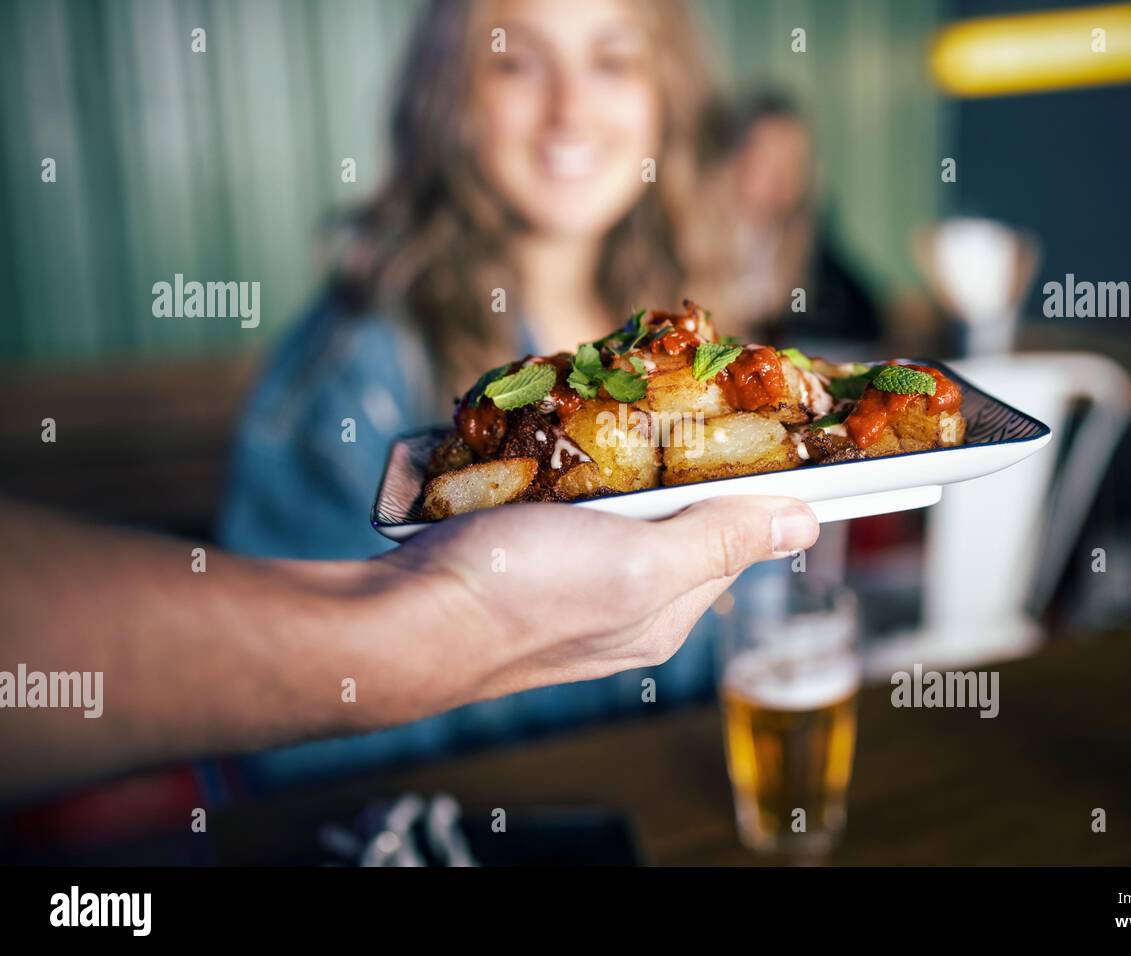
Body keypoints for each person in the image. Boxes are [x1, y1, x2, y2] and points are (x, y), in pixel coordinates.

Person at [215, 0, 744, 788]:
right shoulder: (356, 366)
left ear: (665, 95)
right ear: (449, 100)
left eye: (612, 60)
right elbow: (281, 727)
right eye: (517, 62)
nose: (571, 109)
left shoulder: (682, 341)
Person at [0, 495, 819, 802]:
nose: (570, 108)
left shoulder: (709, 339)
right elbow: (303, 787)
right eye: (520, 93)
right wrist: (455, 617)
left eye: (618, 94)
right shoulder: (354, 367)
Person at [705, 90, 883, 348]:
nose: (782, 177)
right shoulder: (692, 236)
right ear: (731, 159)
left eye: (793, 162)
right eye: (767, 160)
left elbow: (863, 318)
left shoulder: (806, 237)